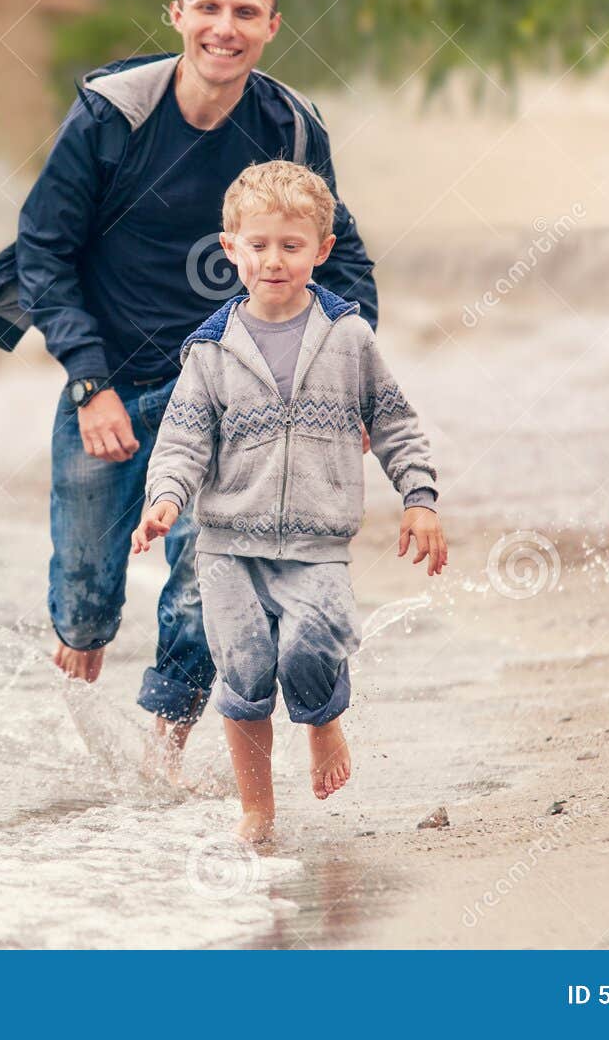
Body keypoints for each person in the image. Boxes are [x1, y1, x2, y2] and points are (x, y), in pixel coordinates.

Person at [0, 0, 378, 776]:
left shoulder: (287, 125)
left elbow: (341, 251)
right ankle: (81, 657)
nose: (225, 26)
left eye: (245, 11)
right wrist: (90, 381)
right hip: (112, 377)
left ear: (271, 25)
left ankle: (159, 754)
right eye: (208, 8)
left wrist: (346, 381)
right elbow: (43, 248)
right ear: (177, 15)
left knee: (203, 583)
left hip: (225, 387)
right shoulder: (115, 115)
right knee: (86, 592)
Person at [131, 160, 447, 842]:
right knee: (242, 670)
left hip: (317, 543)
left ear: (321, 251)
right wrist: (164, 499)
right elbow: (182, 442)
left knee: (312, 643)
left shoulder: (348, 337)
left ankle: (323, 720)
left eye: (291, 246)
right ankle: (258, 810)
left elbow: (393, 420)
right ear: (231, 251)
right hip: (226, 544)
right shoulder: (210, 351)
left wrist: (418, 497)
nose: (274, 260)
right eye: (259, 245)